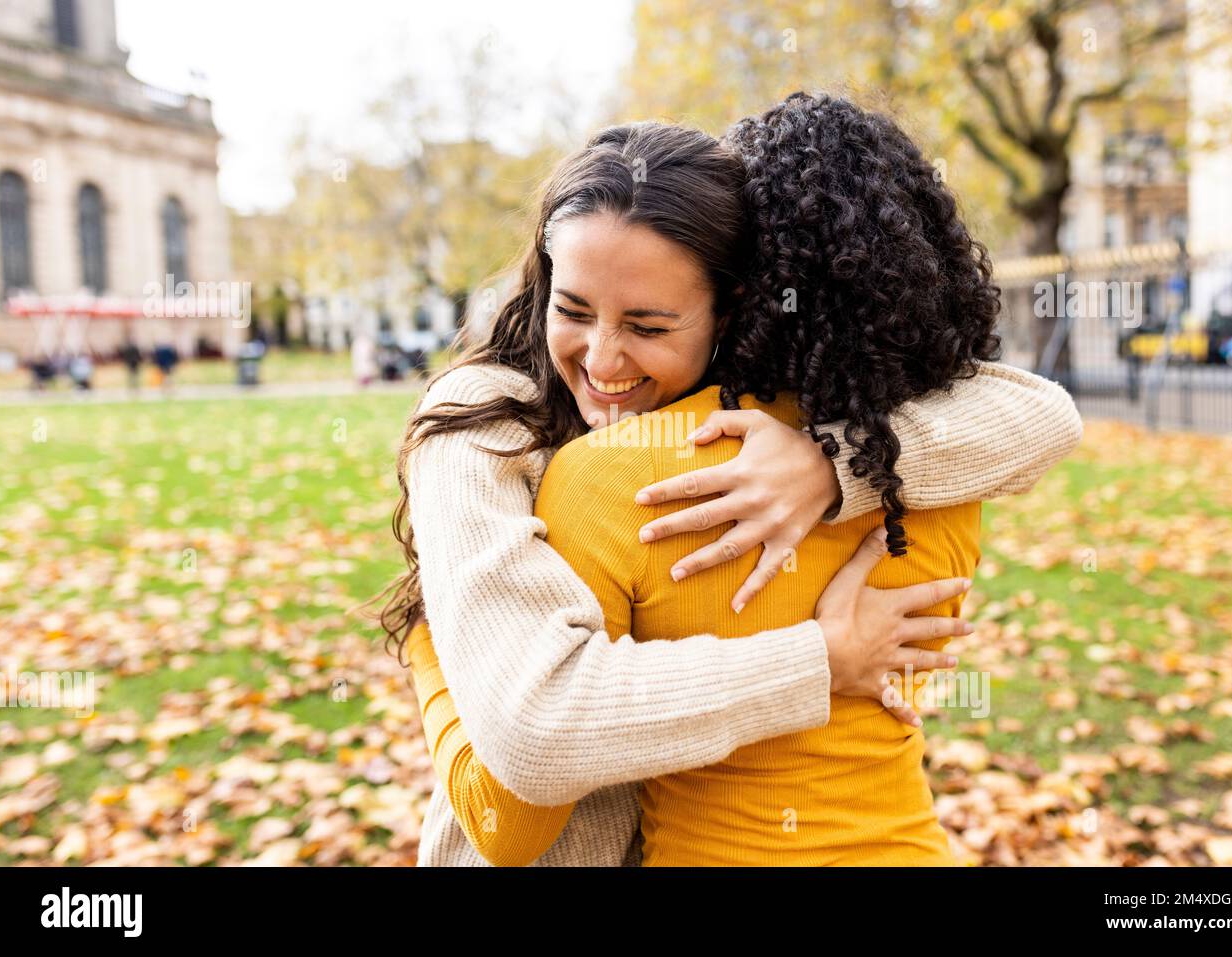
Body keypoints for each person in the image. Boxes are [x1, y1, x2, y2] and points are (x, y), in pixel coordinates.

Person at [389, 113, 1082, 866]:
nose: (603, 358)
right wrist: (433, 649)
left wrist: (830, 464)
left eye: (649, 325)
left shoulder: (759, 428)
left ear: (731, 310)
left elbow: (1044, 415)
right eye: (574, 309)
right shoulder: (482, 420)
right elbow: (531, 744)